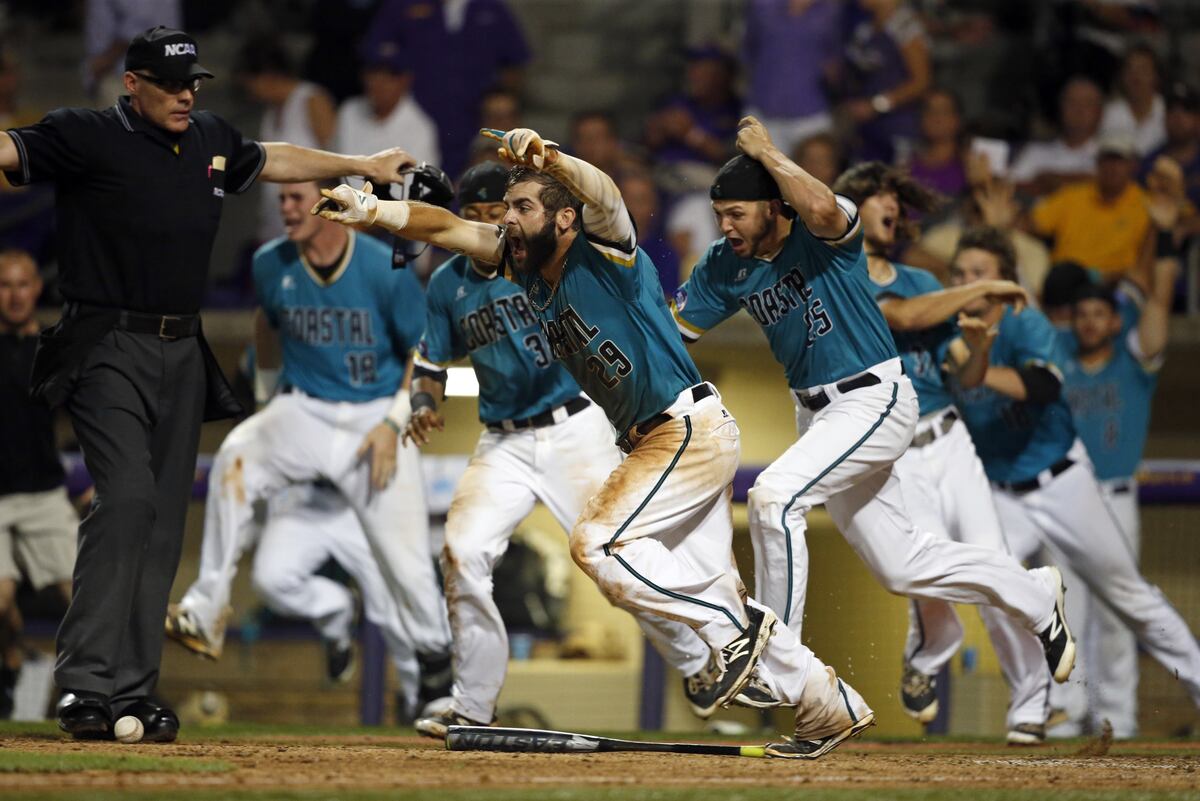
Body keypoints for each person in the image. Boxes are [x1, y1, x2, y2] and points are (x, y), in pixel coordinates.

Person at [316, 126, 880, 760]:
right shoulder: (524, 267)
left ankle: (731, 634)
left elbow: (606, 193)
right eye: (506, 209)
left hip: (683, 428)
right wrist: (374, 210)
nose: (507, 218)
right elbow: (444, 229)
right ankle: (827, 705)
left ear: (562, 218)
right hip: (654, 437)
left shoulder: (603, 248)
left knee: (598, 544)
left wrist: (552, 157)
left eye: (522, 207)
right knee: (716, 588)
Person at [0, 26, 421, 742]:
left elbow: (277, 158)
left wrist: (361, 163)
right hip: (105, 341)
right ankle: (83, 683)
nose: (185, 92)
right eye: (170, 83)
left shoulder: (209, 139)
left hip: (181, 347)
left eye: (192, 81)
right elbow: (10, 150)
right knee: (127, 498)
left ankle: (131, 691)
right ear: (131, 83)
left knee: (163, 523)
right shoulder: (87, 134)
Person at [668, 121, 1075, 733]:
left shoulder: (820, 232)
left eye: (736, 212)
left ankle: (779, 666)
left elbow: (822, 205)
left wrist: (769, 152)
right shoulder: (728, 263)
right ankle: (1034, 595)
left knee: (775, 499)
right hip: (817, 413)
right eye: (719, 213)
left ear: (774, 207)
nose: (725, 225)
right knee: (903, 566)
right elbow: (672, 332)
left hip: (873, 398)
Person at [401, 161, 708, 736]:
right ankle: (472, 704)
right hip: (503, 439)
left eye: (507, 213)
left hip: (575, 426)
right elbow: (429, 361)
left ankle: (698, 665)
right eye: (484, 215)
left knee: (615, 559)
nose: (499, 226)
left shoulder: (543, 264)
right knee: (462, 554)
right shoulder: (449, 284)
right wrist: (422, 403)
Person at [163, 179, 451, 718]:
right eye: (282, 200)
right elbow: (266, 328)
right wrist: (270, 398)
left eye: (298, 197)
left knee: (406, 566)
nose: (288, 208)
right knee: (238, 453)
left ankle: (437, 681)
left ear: (330, 201)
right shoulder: (271, 263)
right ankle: (207, 607)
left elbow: (424, 349)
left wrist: (393, 424)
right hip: (307, 407)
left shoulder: (381, 265)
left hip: (373, 415)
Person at [947, 224, 1200, 730]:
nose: (967, 281)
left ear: (1004, 281)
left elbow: (1042, 385)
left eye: (980, 272)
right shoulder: (944, 329)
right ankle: (1038, 704)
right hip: (1002, 494)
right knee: (986, 587)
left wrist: (974, 370)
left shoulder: (1029, 324)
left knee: (1128, 597)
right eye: (960, 272)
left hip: (1062, 483)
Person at [842, 163, 1055, 744]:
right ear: (848, 210)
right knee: (928, 572)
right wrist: (983, 286)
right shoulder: (841, 277)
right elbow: (903, 319)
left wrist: (981, 347)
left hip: (948, 437)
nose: (890, 210)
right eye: (877, 200)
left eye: (894, 202)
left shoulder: (920, 280)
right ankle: (930, 649)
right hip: (895, 450)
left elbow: (968, 370)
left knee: (994, 563)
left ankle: (1030, 704)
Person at [1058, 158, 1182, 739]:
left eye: (1098, 314)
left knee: (1117, 611)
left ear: (1113, 321)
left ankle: (1120, 718)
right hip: (1064, 494)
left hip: (1115, 497)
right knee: (1065, 609)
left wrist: (1160, 236)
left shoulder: (1135, 362)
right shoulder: (1058, 354)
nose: (1088, 322)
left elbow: (1156, 310)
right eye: (1081, 314)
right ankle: (1068, 713)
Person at [0, 249, 76, 719]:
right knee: (1, 597)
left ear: (37, 288)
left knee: (84, 595)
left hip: (46, 493)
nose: (14, 295)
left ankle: (90, 685)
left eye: (22, 284)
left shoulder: (55, 348)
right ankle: (11, 662)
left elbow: (83, 423)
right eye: (4, 285)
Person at [364, 0, 531, 178]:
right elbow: (376, 57)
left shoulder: (492, 9)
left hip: (473, 123)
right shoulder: (403, 6)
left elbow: (516, 65)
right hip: (418, 119)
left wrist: (500, 108)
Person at [235, 36, 337, 242]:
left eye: (250, 83)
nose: (249, 93)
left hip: (311, 226)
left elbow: (337, 165)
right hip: (275, 228)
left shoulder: (312, 100)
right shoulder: (269, 115)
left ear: (267, 75)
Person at [1027, 131, 1151, 279]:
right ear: (1097, 163)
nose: (1112, 167)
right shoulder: (1071, 195)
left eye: (1118, 161)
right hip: (1064, 279)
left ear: (1132, 165)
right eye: (1106, 160)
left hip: (1114, 283)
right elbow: (1033, 223)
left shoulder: (1147, 204)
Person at [335, 39, 440, 201]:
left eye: (390, 75)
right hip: (345, 214)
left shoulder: (420, 129)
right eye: (374, 72)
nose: (379, 82)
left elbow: (416, 201)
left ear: (405, 79)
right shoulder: (349, 112)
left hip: (390, 221)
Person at [742, 0, 844, 154]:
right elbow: (749, 52)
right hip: (764, 114)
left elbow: (836, 60)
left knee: (813, 176)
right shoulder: (761, 6)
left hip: (812, 116)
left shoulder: (832, 10)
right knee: (758, 176)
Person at [841, 0, 932, 162]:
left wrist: (878, 104)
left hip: (898, 128)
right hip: (867, 128)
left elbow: (921, 82)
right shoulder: (866, 27)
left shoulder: (905, 25)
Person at [1010, 76, 1104, 197]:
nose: (1079, 110)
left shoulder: (1110, 156)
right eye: (1072, 102)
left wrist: (1049, 179)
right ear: (1061, 108)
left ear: (1100, 113)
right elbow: (1011, 188)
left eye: (1087, 103)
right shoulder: (1035, 151)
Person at [1099, 43, 1166, 157]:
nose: (1136, 76)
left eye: (1143, 69)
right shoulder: (1107, 114)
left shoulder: (1169, 112)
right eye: (1130, 69)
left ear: (1156, 76)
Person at [902, 88, 969, 199]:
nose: (935, 117)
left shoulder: (967, 167)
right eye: (929, 110)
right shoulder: (906, 165)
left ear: (957, 119)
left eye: (943, 111)